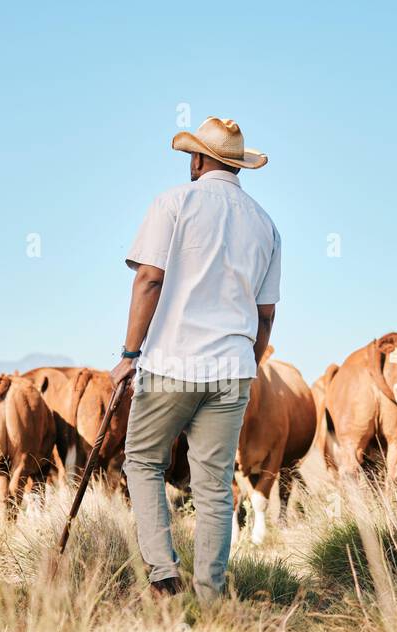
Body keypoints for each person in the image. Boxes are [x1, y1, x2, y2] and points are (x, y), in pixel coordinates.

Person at [109, 116, 281, 603]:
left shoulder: (173, 203)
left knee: (142, 461)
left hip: (171, 363)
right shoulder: (266, 225)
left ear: (201, 159)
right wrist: (247, 360)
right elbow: (265, 314)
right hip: (233, 370)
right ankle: (209, 598)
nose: (189, 163)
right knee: (215, 487)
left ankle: (164, 577)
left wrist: (128, 355)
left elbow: (148, 279)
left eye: (192, 155)